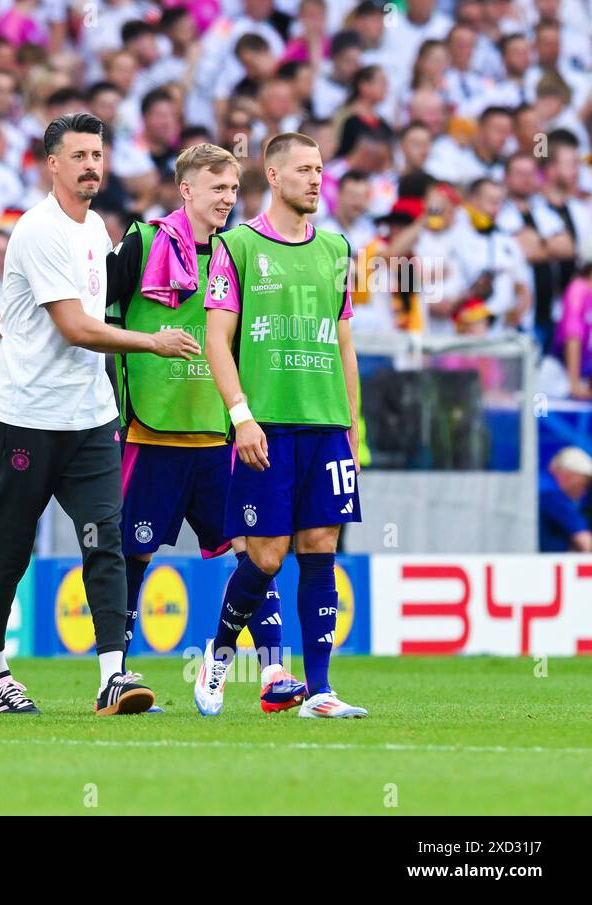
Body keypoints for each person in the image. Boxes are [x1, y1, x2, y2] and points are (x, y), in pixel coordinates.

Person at [0, 113, 198, 716]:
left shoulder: (96, 227)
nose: (91, 165)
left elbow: (58, 305)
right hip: (25, 417)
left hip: (90, 418)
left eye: (96, 154)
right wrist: (155, 342)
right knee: (10, 550)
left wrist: (6, 320)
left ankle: (112, 676)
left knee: (106, 540)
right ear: (52, 165)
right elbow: (74, 328)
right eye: (77, 156)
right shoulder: (40, 228)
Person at [106, 142, 306, 716]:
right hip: (153, 431)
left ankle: (272, 673)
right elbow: (91, 315)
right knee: (132, 557)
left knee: (256, 549)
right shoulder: (142, 244)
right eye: (217, 188)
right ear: (186, 189)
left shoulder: (238, 251)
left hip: (220, 435)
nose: (227, 199)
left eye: (234, 190)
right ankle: (115, 675)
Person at [201, 131, 368, 719]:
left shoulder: (336, 249)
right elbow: (216, 338)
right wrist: (240, 415)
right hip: (266, 425)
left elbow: (345, 342)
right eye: (303, 170)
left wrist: (353, 425)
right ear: (273, 177)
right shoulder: (240, 246)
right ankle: (219, 655)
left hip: (325, 426)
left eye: (321, 168)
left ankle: (318, 690)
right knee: (267, 556)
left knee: (321, 548)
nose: (316, 179)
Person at [539, 446, 592, 552]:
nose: (584, 491)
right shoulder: (553, 498)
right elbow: (585, 542)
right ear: (567, 476)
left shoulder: (541, 490)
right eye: (584, 484)